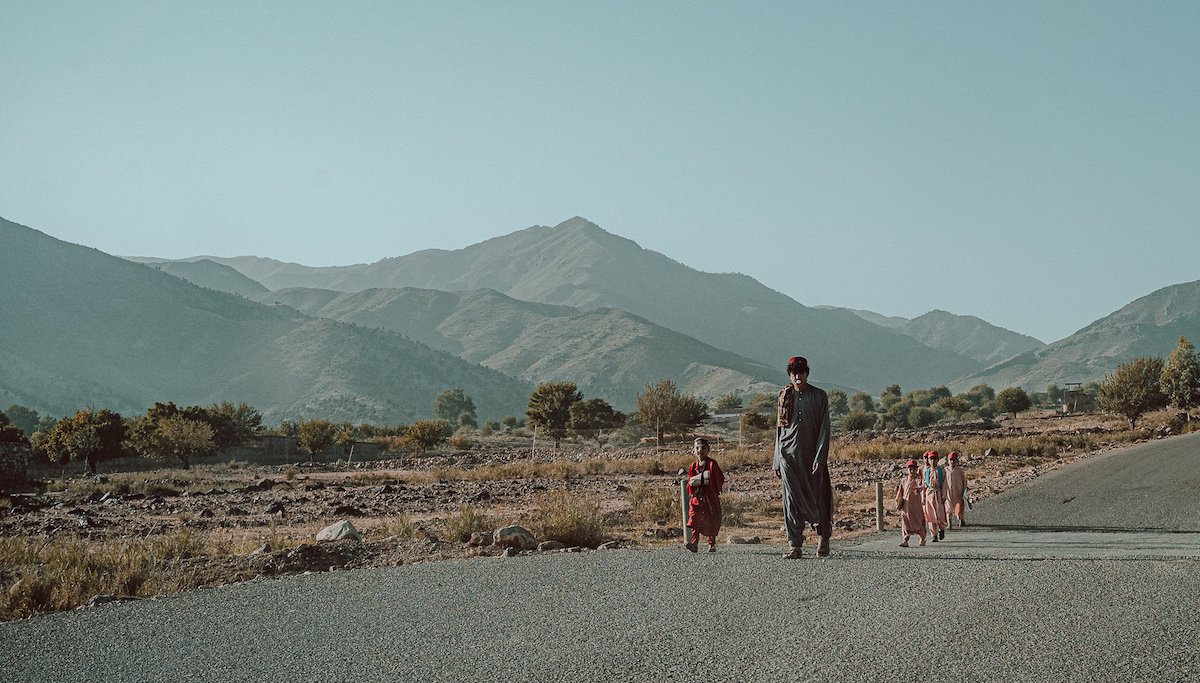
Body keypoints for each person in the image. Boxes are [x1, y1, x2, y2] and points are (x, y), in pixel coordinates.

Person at [773, 356, 833, 559]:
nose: (798, 376)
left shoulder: (819, 396)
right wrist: (776, 461)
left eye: (801, 372)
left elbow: (825, 429)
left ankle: (823, 537)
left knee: (817, 497)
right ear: (790, 375)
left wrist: (820, 457)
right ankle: (794, 545)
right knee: (790, 500)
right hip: (787, 457)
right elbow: (779, 431)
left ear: (807, 373)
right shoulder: (784, 396)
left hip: (811, 459)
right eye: (794, 373)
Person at [685, 437, 725, 553]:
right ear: (694, 451)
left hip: (709, 497)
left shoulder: (712, 464)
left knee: (711, 519)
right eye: (697, 448)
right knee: (694, 519)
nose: (700, 451)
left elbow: (719, 478)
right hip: (697, 498)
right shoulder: (693, 466)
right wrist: (695, 483)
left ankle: (711, 544)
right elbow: (690, 482)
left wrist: (708, 482)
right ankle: (694, 543)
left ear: (708, 449)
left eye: (703, 448)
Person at [895, 459, 926, 547]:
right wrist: (898, 502)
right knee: (905, 522)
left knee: (918, 523)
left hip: (916, 507)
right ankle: (905, 539)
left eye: (914, 469)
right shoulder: (904, 480)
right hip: (906, 506)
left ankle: (923, 538)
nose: (912, 471)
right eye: (910, 469)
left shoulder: (919, 480)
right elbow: (900, 493)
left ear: (917, 469)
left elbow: (923, 489)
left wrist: (920, 489)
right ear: (907, 470)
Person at [922, 451, 948, 542]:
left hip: (938, 493)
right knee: (930, 515)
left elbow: (945, 483)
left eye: (934, 459)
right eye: (931, 459)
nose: (932, 461)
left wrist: (944, 494)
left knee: (939, 514)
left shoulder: (941, 470)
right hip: (929, 494)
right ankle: (934, 535)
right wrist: (923, 496)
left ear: (937, 460)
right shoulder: (927, 471)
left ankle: (941, 529)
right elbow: (924, 484)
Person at [945, 451, 969, 528]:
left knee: (959, 508)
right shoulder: (945, 471)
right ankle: (949, 524)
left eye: (954, 460)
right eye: (950, 460)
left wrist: (964, 491)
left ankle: (961, 520)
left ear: (956, 461)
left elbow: (964, 481)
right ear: (948, 461)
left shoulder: (959, 471)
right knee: (948, 509)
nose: (952, 462)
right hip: (948, 493)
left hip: (958, 493)